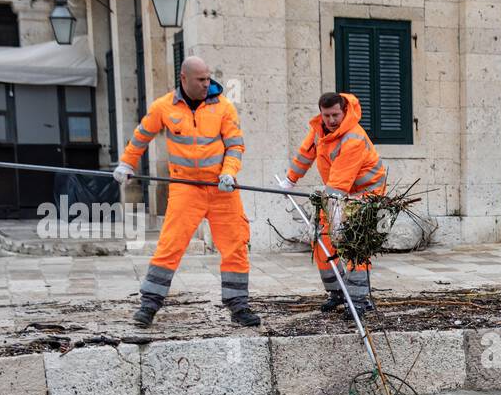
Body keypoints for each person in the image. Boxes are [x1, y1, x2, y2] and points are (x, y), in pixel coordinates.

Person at [114, 55, 258, 327]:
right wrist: (126, 163)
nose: (207, 84)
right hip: (185, 189)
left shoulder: (224, 107)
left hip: (221, 189)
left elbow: (235, 145)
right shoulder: (163, 107)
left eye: (208, 78)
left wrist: (229, 171)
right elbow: (141, 136)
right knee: (170, 246)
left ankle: (239, 306)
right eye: (201, 79)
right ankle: (149, 305)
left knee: (236, 246)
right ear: (184, 79)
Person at [284, 92, 387, 319]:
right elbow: (305, 155)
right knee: (322, 239)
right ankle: (337, 292)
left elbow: (339, 182)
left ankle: (359, 301)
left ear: (344, 111)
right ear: (320, 114)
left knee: (352, 243)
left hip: (365, 195)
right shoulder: (318, 130)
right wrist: (290, 180)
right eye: (326, 115)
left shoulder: (353, 138)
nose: (331, 120)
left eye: (335, 115)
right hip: (338, 193)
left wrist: (327, 206)